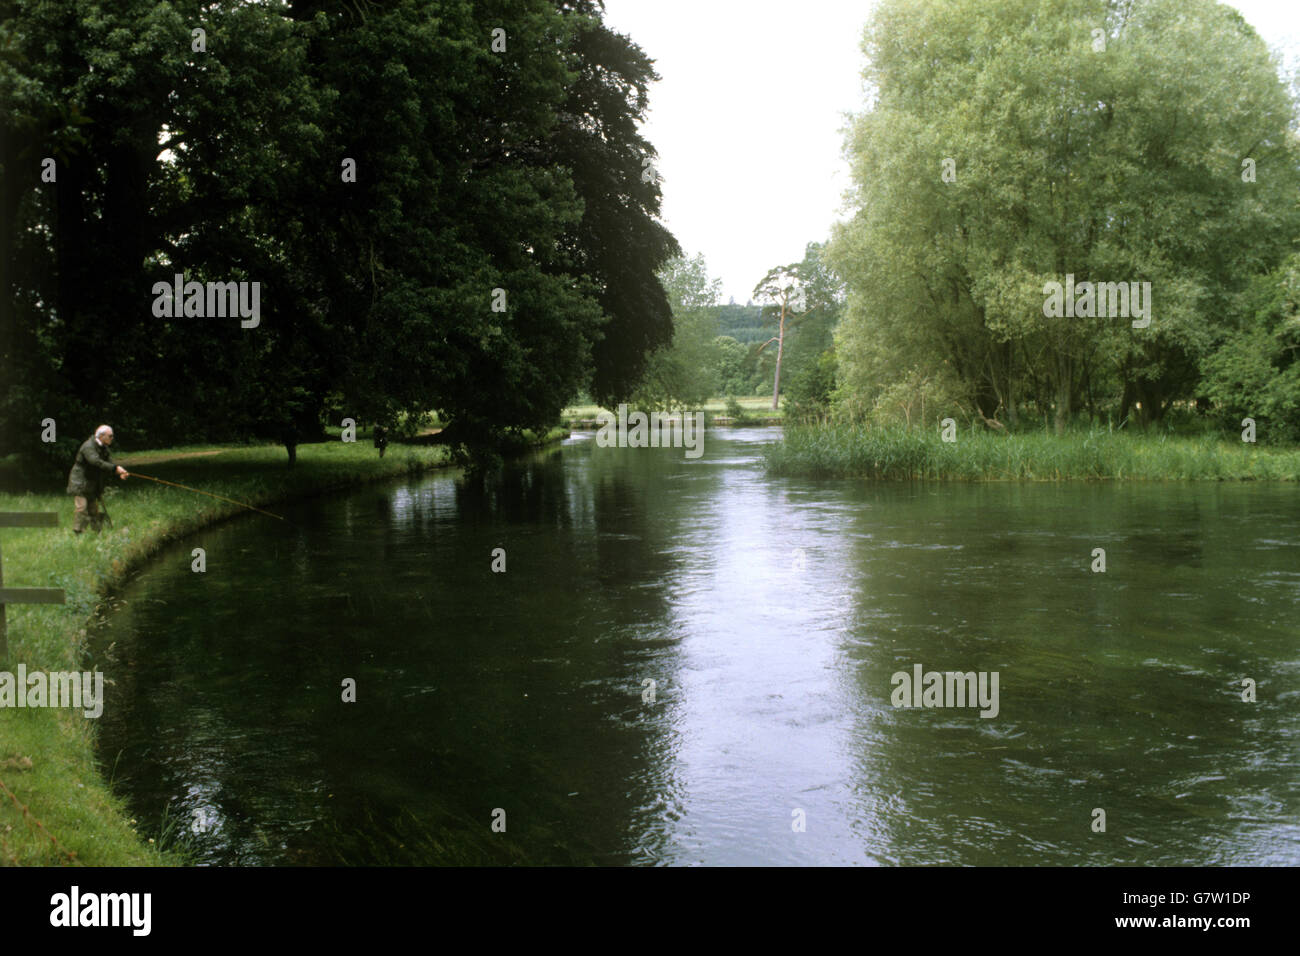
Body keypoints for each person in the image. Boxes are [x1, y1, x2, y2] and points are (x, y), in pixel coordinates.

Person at [67, 425, 128, 534]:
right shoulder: (88, 447)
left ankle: (97, 533)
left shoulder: (104, 447)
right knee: (82, 508)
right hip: (80, 481)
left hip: (91, 482)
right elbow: (95, 462)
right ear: (101, 436)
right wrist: (115, 468)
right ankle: (79, 533)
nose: (112, 438)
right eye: (110, 436)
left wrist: (120, 472)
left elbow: (109, 462)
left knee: (93, 509)